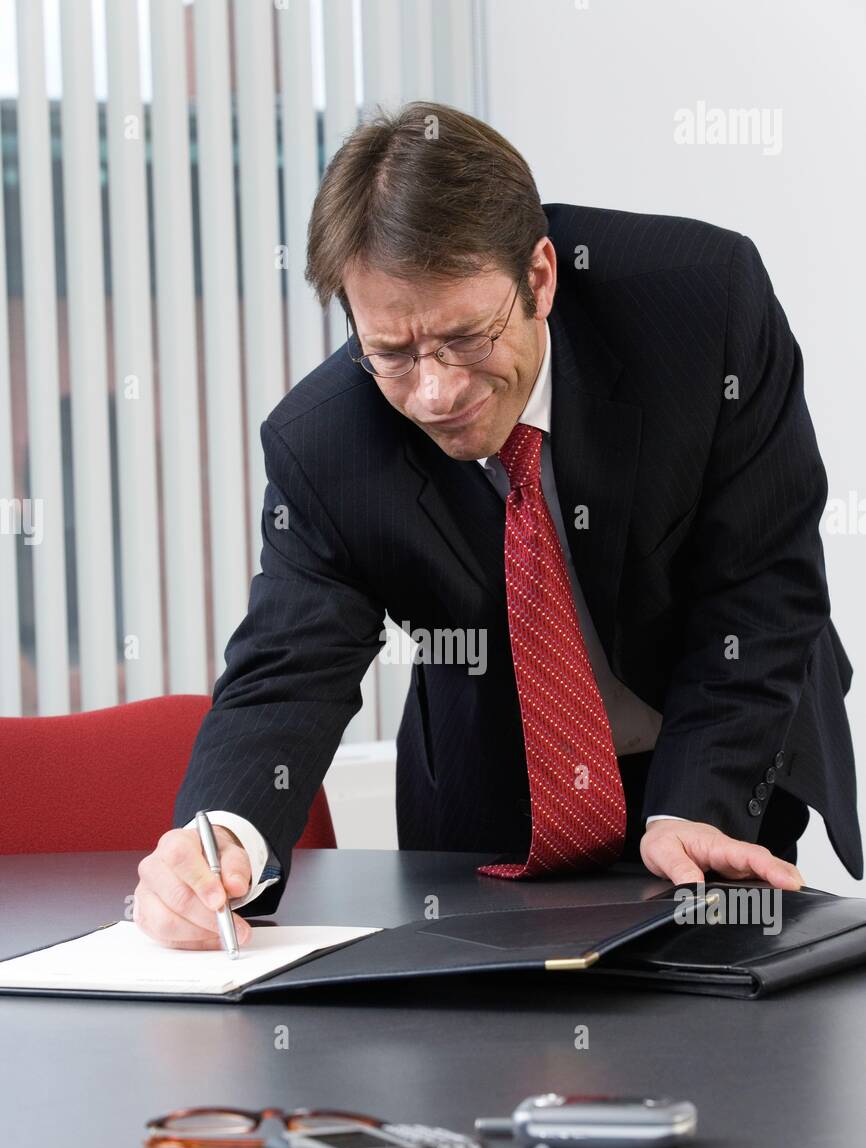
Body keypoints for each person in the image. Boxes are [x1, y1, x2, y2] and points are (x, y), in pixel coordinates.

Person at [132, 102, 860, 951]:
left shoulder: (703, 305)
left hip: (722, 756)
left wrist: (693, 805)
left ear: (540, 277)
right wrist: (217, 845)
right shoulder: (326, 444)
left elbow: (763, 585)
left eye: (464, 338)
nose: (434, 393)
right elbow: (287, 666)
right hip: (497, 816)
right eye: (392, 354)